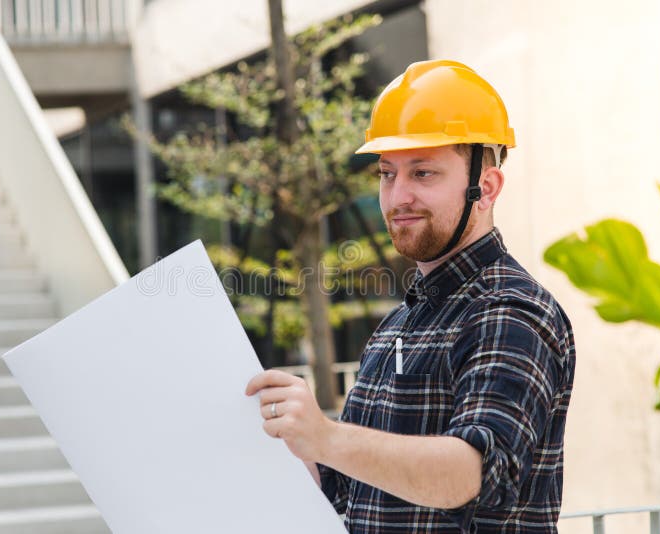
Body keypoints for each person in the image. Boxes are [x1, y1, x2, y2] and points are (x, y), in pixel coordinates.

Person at [246, 59, 576, 533]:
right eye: (386, 173)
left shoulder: (510, 311)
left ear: (484, 188)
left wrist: (325, 436)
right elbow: (342, 485)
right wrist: (281, 438)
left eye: (422, 173)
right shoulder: (398, 327)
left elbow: (474, 473)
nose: (398, 196)